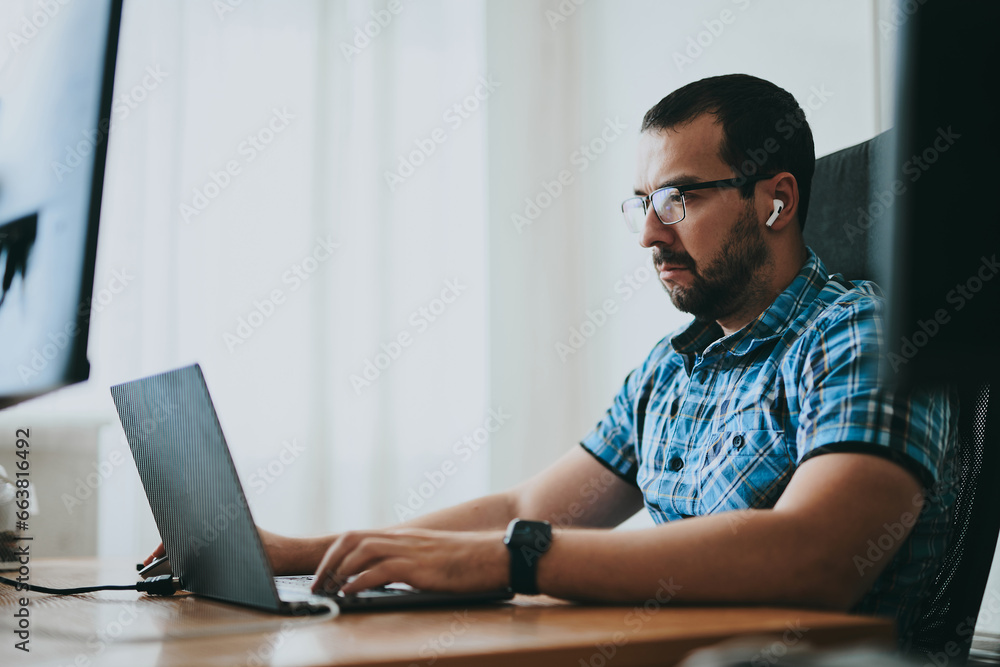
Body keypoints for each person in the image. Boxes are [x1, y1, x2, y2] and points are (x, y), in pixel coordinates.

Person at [148, 74, 958, 645]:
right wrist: (298, 552)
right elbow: (531, 502)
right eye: (642, 204)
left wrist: (517, 555)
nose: (649, 233)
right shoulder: (671, 369)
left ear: (776, 200)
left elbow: (816, 556)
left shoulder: (860, 335)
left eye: (678, 198)